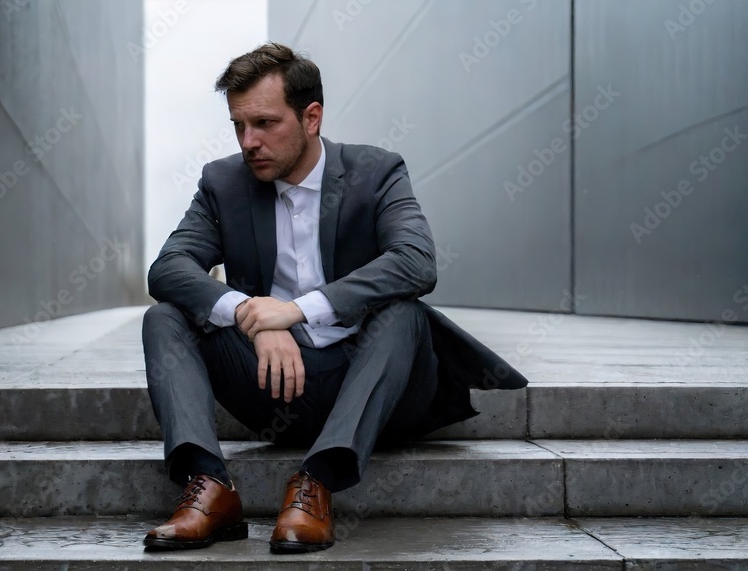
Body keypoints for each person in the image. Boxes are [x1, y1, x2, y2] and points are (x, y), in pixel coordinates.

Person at [142, 42, 527, 554]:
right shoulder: (224, 184)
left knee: (404, 313)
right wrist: (251, 314)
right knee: (164, 318)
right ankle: (210, 488)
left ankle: (316, 484)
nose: (248, 141)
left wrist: (299, 309)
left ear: (312, 117)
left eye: (264, 123)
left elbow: (416, 261)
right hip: (276, 384)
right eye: (238, 126)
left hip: (373, 383)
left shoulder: (376, 172)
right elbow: (168, 267)